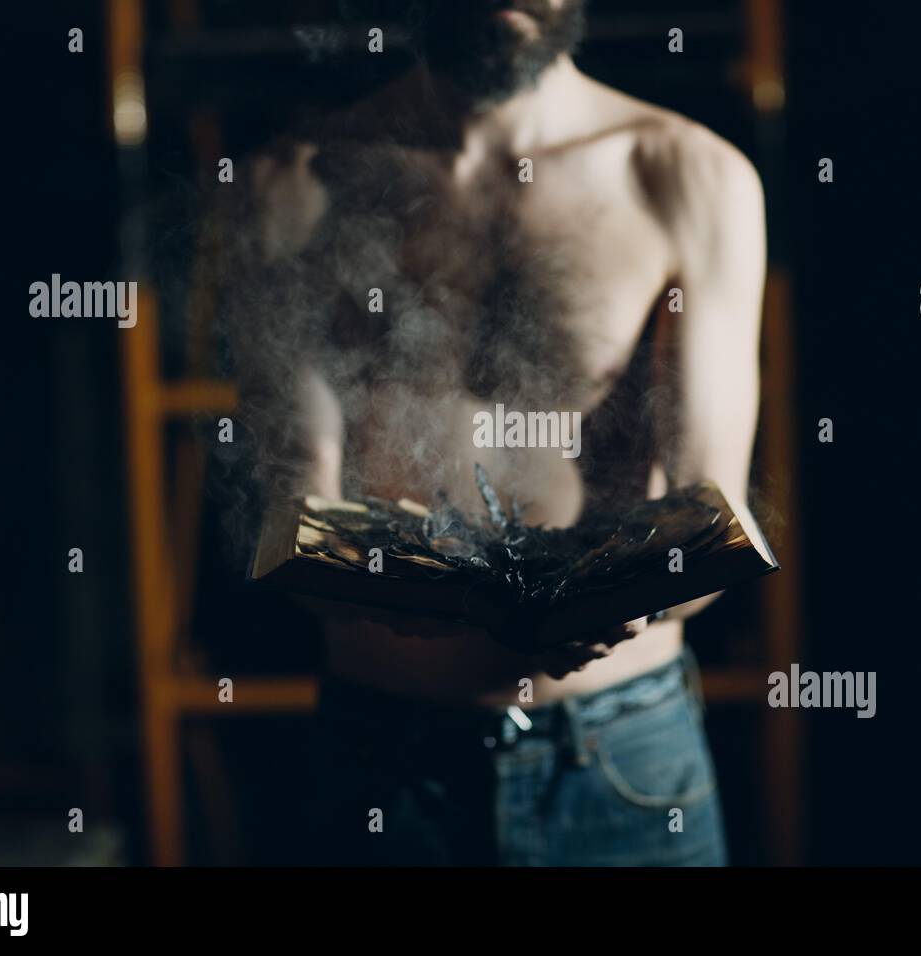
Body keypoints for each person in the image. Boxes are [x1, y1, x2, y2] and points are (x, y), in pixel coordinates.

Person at [218, 0, 766, 865]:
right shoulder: (292, 188)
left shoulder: (685, 175)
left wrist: (606, 599)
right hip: (385, 764)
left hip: (624, 758)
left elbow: (709, 515)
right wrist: (442, 589)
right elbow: (293, 520)